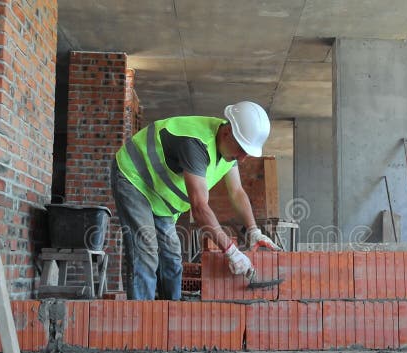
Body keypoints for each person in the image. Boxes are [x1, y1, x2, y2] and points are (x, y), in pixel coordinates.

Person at [111, 101, 282, 300]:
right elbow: (200, 208)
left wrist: (253, 230)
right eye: (242, 149)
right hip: (135, 178)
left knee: (172, 257)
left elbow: (237, 192)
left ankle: (169, 313)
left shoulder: (229, 147)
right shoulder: (196, 144)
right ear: (227, 133)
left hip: (160, 196)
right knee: (146, 249)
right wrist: (231, 251)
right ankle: (141, 318)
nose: (242, 158)